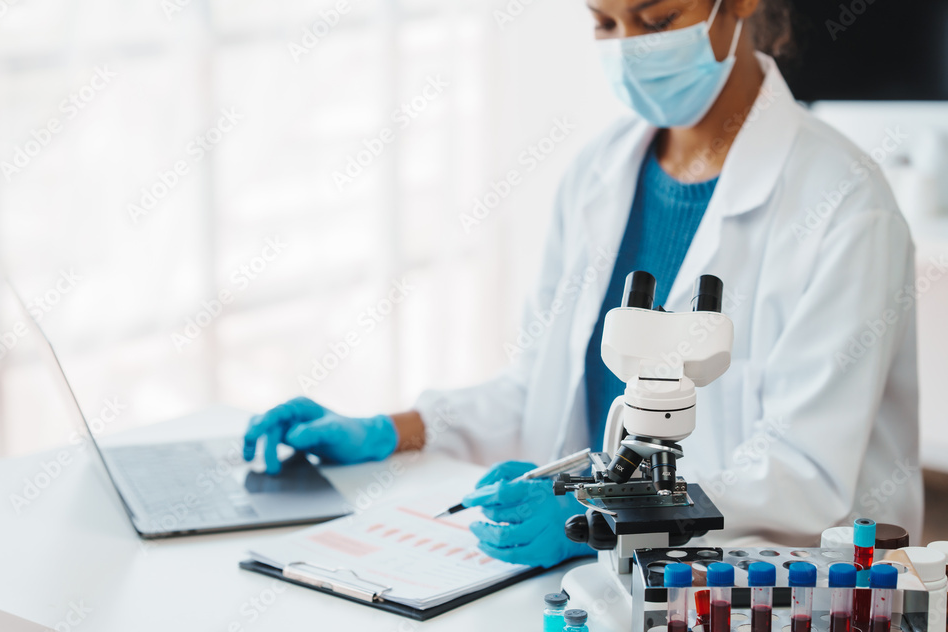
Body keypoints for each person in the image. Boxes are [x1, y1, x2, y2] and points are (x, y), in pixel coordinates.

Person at [244, 0, 922, 566]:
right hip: (607, 581)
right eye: (605, 23)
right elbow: (541, 390)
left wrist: (599, 506)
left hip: (784, 605)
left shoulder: (843, 205)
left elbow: (803, 476)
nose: (630, 50)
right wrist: (392, 429)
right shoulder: (598, 175)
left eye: (656, 22)